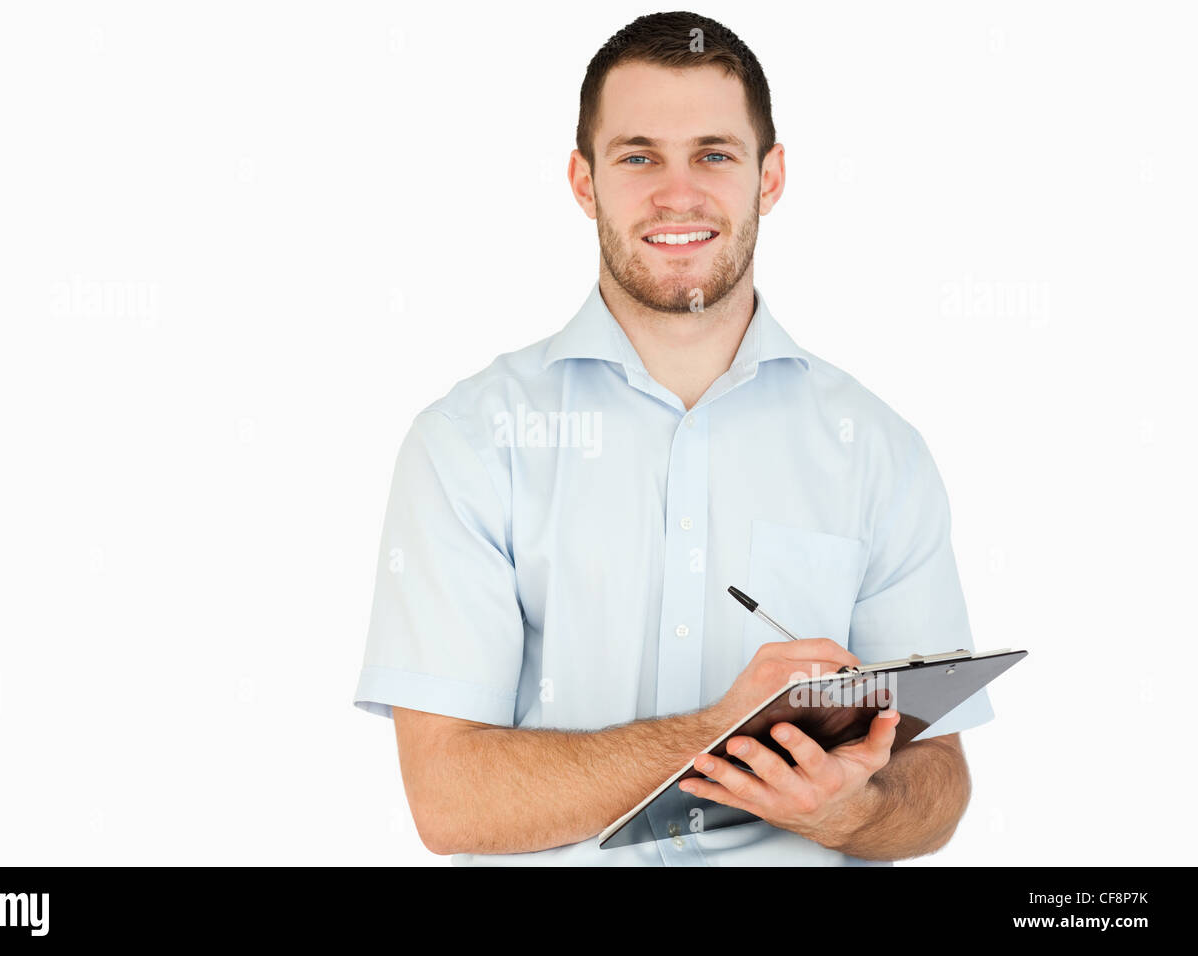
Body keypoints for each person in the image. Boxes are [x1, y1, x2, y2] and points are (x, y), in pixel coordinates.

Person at [353, 11, 992, 866]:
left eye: (715, 155)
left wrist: (846, 810)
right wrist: (717, 732)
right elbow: (451, 802)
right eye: (638, 155)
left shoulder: (878, 451)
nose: (678, 194)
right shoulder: (469, 443)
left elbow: (937, 783)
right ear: (584, 182)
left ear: (771, 178)